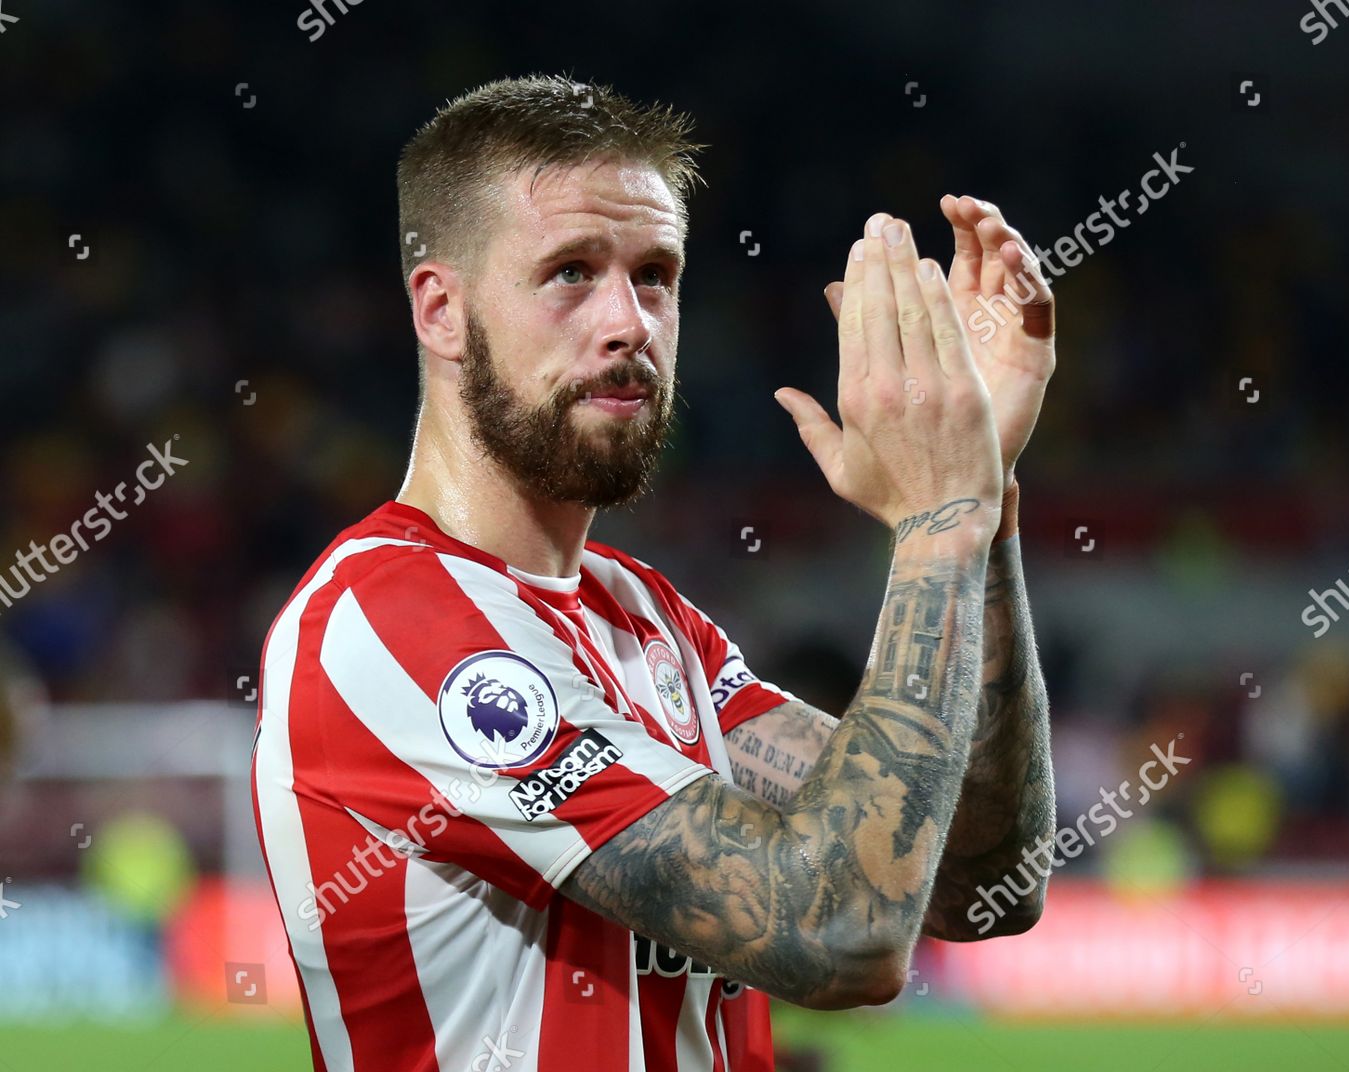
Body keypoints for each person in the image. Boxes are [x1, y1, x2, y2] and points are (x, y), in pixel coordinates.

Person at [252, 74, 1057, 1072]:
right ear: (441, 309)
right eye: (570, 273)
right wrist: (938, 519)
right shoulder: (387, 622)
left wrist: (983, 501)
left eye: (657, 275)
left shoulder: (648, 617)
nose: (629, 321)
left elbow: (981, 881)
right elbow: (838, 932)